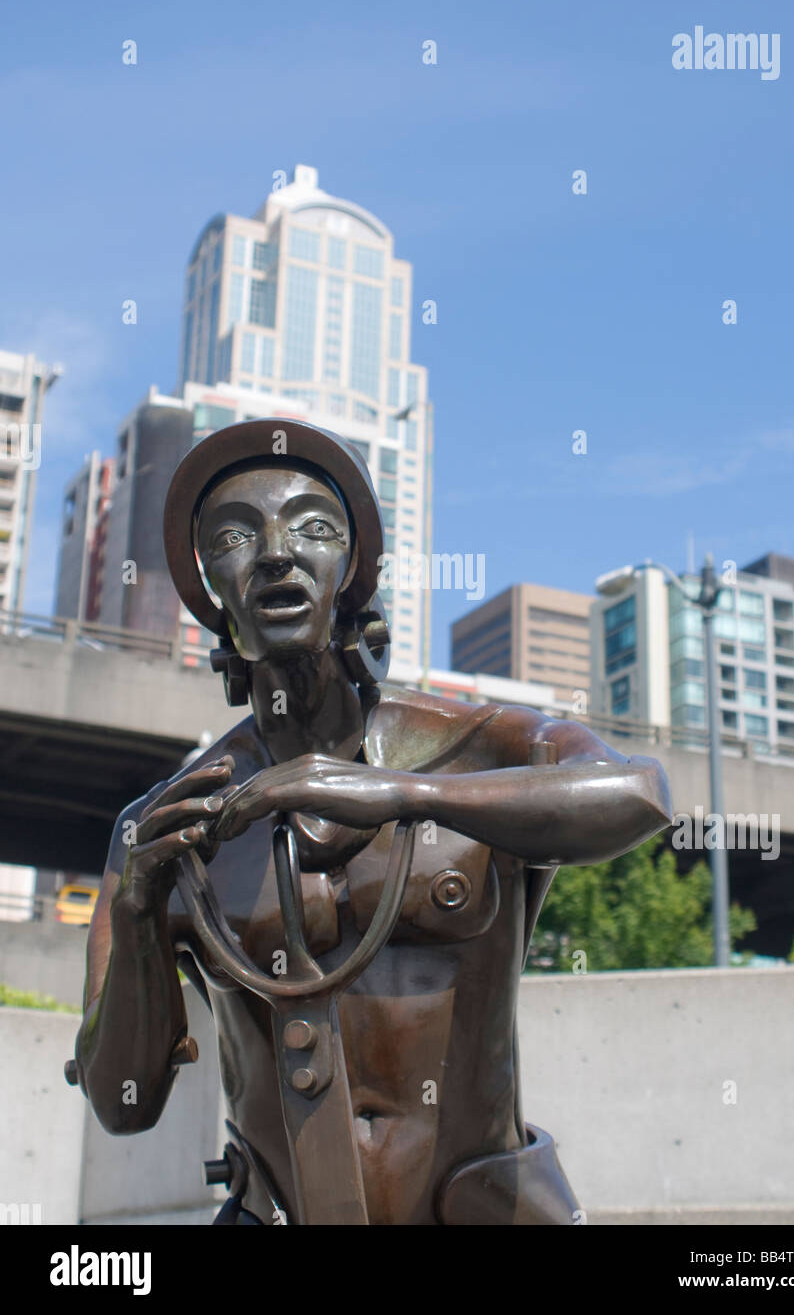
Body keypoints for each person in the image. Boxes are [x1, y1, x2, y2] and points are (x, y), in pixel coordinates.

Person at [75, 418, 671, 1225]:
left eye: (313, 528)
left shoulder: (481, 747)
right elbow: (122, 1102)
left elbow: (636, 795)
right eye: (233, 537)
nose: (277, 552)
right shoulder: (163, 829)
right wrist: (138, 913)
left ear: (353, 570)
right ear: (209, 591)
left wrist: (404, 795)